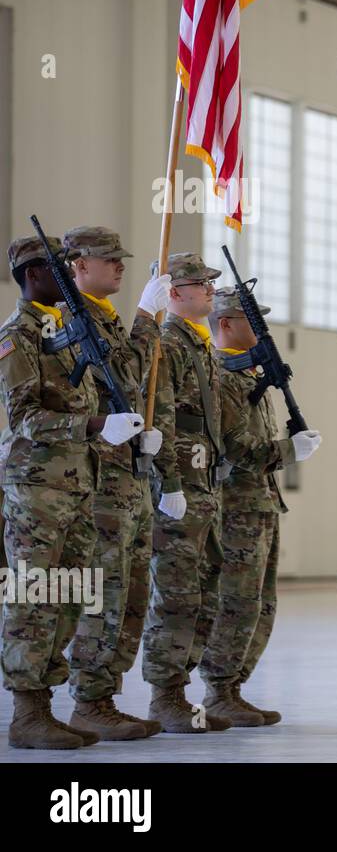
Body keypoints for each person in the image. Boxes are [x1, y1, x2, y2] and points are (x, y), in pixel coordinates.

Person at [1, 235, 144, 749]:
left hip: (80, 483)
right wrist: (92, 426)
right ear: (34, 276)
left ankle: (52, 706)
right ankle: (26, 712)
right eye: (55, 271)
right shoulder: (18, 334)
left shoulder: (67, 328)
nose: (66, 279)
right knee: (33, 596)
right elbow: (23, 418)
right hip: (36, 487)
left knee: (69, 596)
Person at [61, 227, 170, 741]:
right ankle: (88, 699)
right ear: (78, 265)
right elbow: (122, 373)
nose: (120, 267)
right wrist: (147, 318)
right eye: (109, 260)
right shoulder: (68, 321)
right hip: (101, 482)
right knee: (103, 594)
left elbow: (127, 379)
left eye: (121, 259)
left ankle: (104, 696)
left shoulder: (102, 317)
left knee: (131, 594)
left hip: (128, 478)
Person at [199, 287, 321, 726]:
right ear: (226, 324)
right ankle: (217, 689)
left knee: (261, 604)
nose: (261, 330)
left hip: (261, 503)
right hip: (235, 507)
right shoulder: (222, 378)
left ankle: (232, 686)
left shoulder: (250, 376)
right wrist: (289, 452)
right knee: (236, 601)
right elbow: (238, 450)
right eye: (252, 321)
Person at [141, 252, 231, 733]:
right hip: (180, 493)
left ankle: (180, 688)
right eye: (200, 284)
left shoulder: (198, 345)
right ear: (174, 294)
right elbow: (163, 421)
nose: (210, 290)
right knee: (175, 597)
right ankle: (164, 696)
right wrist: (169, 484)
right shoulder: (166, 344)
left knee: (201, 595)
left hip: (204, 491)